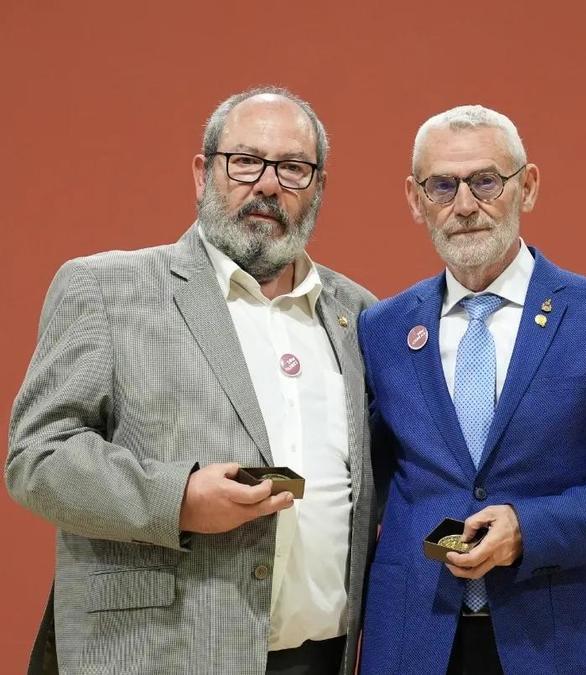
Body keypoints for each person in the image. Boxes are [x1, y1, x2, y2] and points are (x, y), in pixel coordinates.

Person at [6, 86, 378, 675]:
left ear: (318, 188)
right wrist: (175, 498)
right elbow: (37, 459)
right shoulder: (104, 289)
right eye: (246, 161)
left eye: (292, 168)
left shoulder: (358, 313)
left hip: (322, 657)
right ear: (204, 174)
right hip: (157, 654)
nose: (267, 184)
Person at [357, 105, 586, 674]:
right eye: (442, 186)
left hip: (547, 645)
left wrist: (529, 529)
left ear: (526, 186)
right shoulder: (382, 329)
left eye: (485, 181)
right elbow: (369, 481)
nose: (464, 206)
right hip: (411, 642)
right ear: (415, 199)